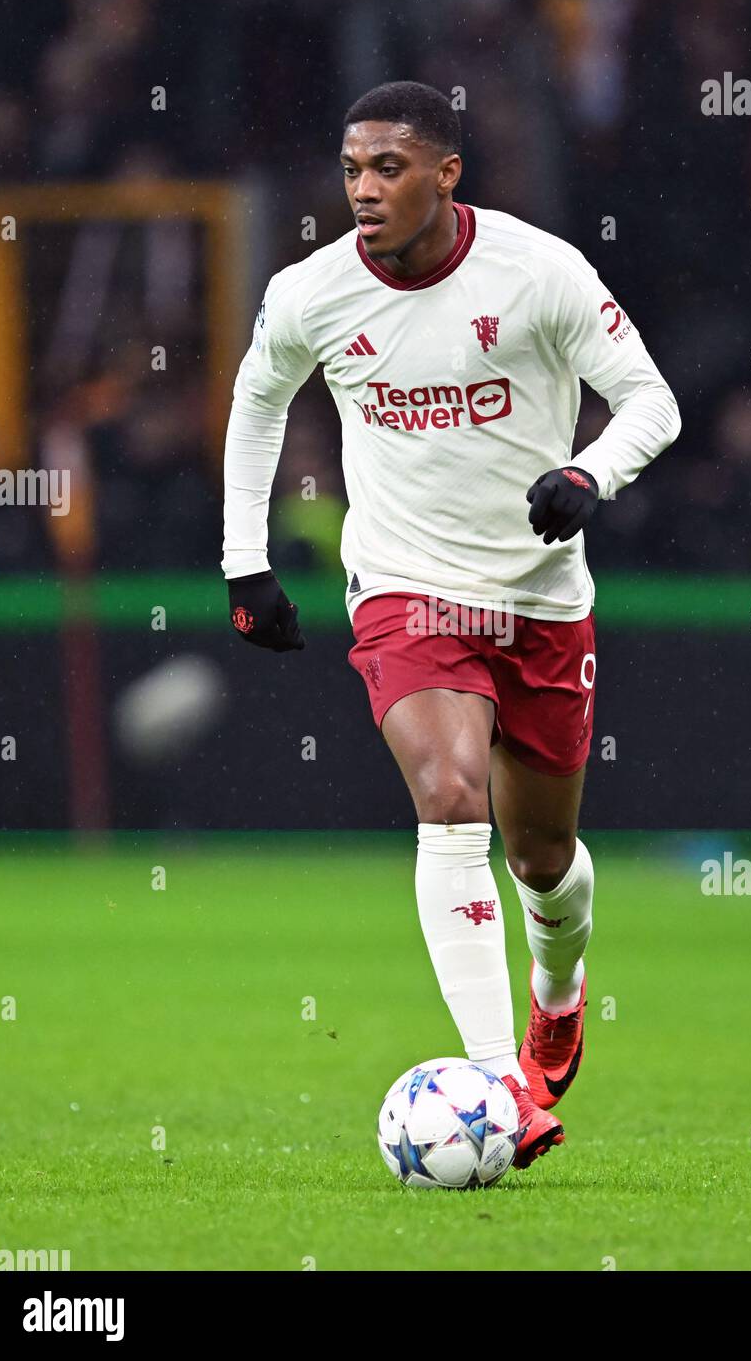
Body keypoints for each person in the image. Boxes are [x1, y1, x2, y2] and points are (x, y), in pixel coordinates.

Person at [222, 81, 680, 1169]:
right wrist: (247, 563)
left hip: (539, 598)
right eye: (350, 170)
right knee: (446, 795)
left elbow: (651, 400)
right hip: (405, 588)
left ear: (446, 172)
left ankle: (557, 994)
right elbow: (257, 404)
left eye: (388, 168)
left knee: (544, 860)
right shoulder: (311, 293)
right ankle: (497, 1083)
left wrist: (588, 470)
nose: (365, 191)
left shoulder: (540, 272)